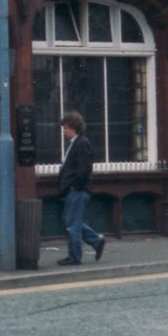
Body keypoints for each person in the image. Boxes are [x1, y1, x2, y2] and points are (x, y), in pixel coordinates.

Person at [56, 110, 105, 266]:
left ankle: (75, 257)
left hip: (77, 190)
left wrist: (72, 186)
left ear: (72, 127)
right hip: (74, 190)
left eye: (65, 127)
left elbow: (84, 169)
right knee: (71, 221)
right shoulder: (75, 143)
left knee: (72, 225)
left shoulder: (82, 143)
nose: (63, 131)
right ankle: (96, 241)